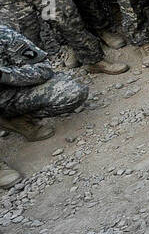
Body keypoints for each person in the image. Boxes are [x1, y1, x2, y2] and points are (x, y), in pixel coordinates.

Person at [0, 23, 90, 186]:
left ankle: (14, 120)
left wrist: (5, 75)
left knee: (71, 91)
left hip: (9, 95)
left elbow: (43, 69)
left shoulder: (3, 34)